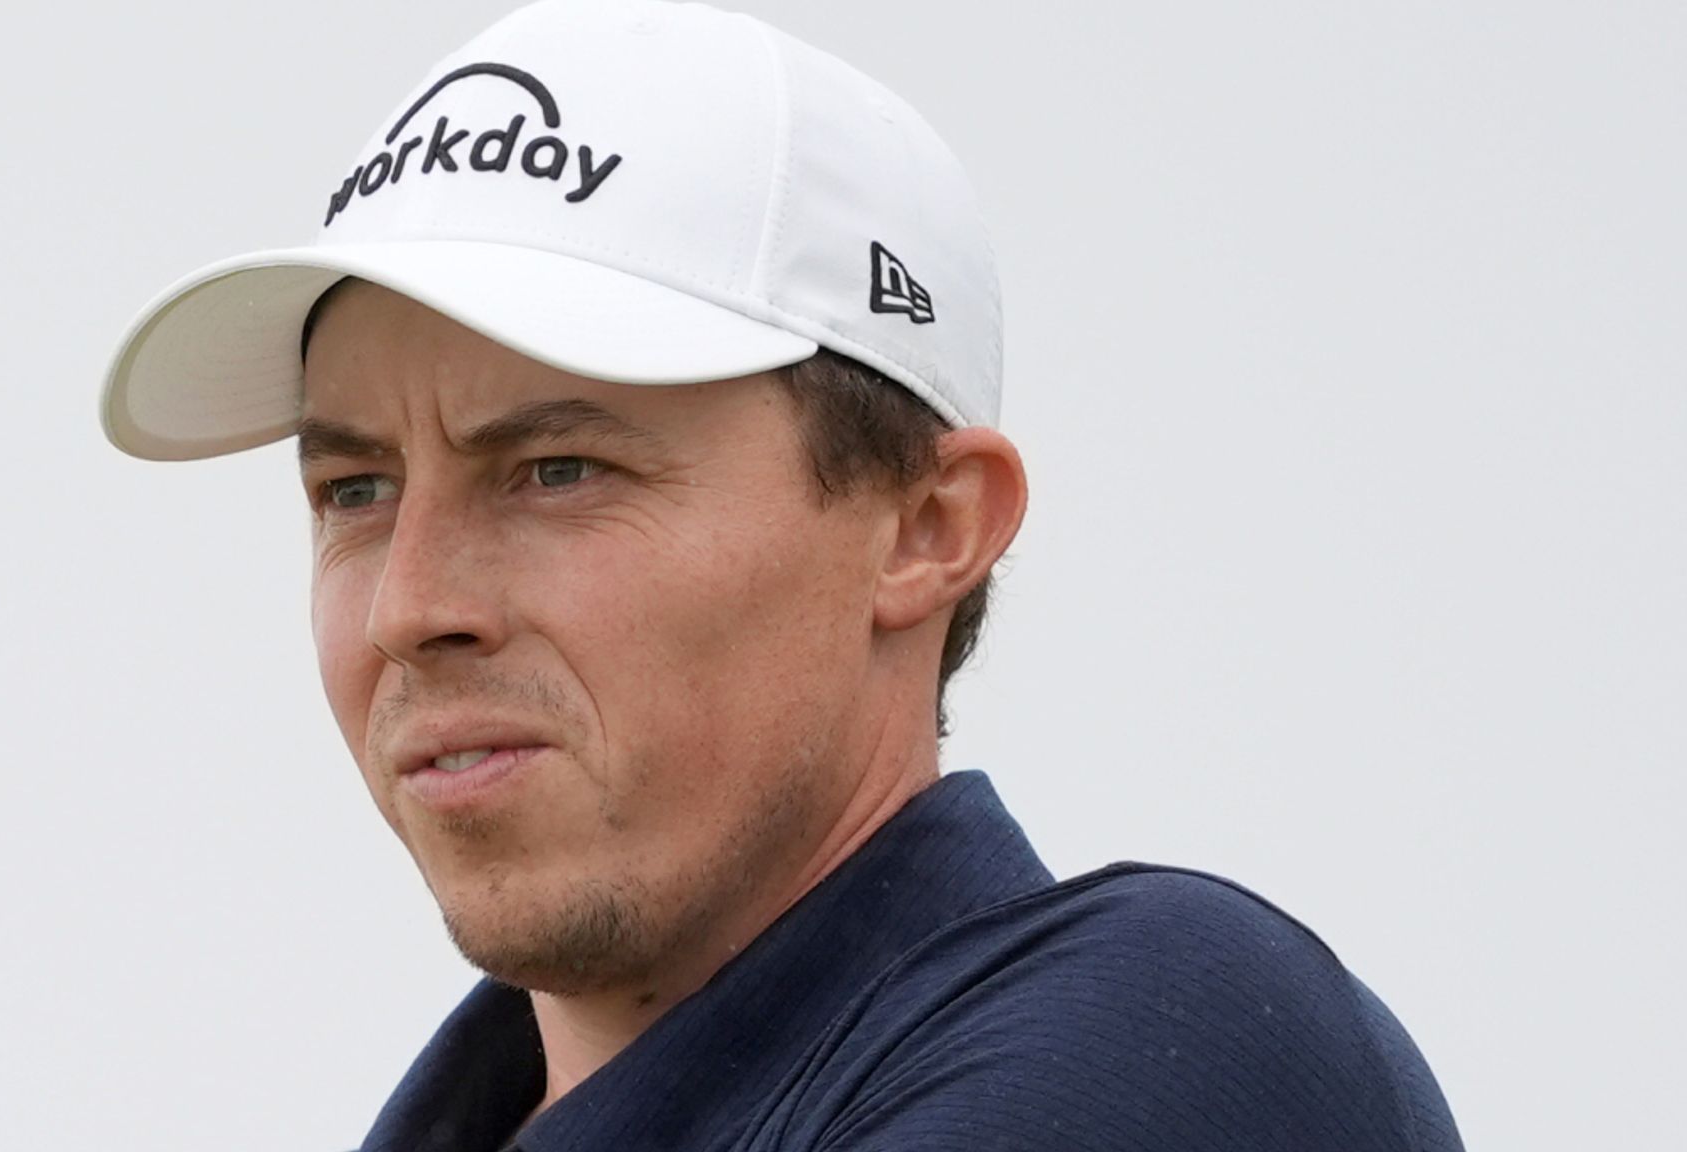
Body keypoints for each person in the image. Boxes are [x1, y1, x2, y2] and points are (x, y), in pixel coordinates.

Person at [100, 1, 1464, 1148]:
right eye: (355, 491)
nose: (410, 608)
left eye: (559, 469)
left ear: (925, 527)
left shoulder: (1158, 1034)